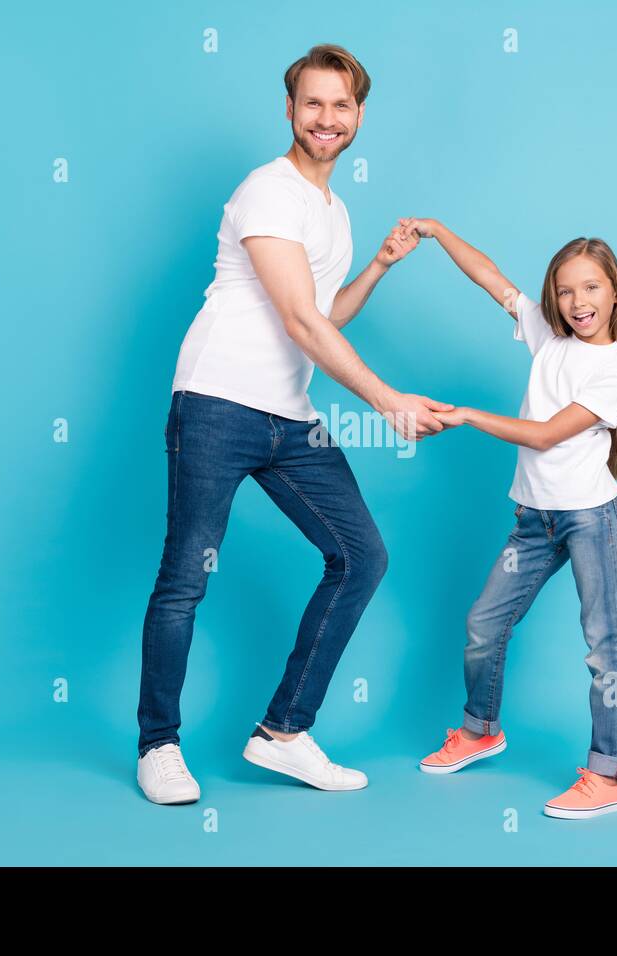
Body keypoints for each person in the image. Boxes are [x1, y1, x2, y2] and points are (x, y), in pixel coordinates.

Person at [136, 45, 451, 805]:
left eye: (342, 106)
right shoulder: (266, 192)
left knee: (361, 556)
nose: (327, 119)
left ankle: (282, 733)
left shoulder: (334, 213)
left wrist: (375, 265)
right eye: (313, 104)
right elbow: (302, 323)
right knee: (185, 578)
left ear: (359, 116)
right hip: (216, 401)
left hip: (288, 416)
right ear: (289, 109)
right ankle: (157, 746)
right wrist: (386, 399)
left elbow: (324, 315)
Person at [405, 219, 617, 820]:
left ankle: (609, 774)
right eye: (565, 291)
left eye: (590, 288)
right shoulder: (549, 336)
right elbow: (492, 279)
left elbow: (542, 436)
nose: (577, 302)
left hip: (589, 518)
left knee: (605, 647)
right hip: (535, 520)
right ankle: (481, 729)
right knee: (484, 622)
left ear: (614, 291)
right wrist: (437, 232)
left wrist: (466, 416)